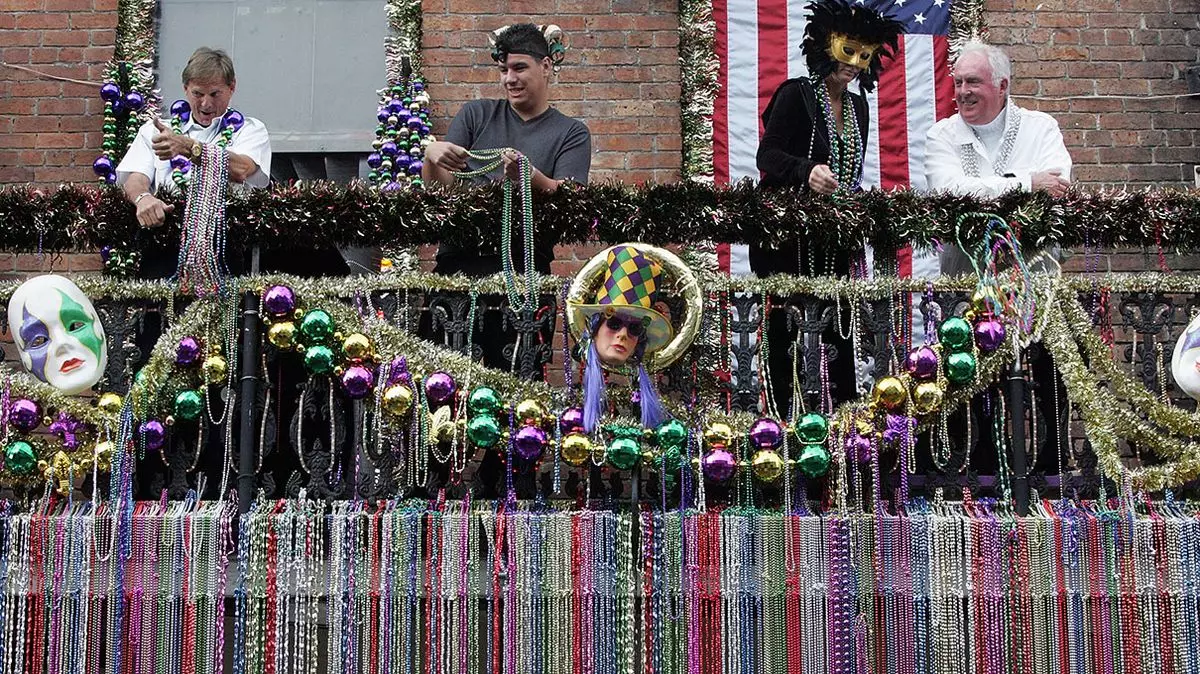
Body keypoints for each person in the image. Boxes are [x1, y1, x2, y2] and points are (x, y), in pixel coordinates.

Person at [753, 0, 903, 412]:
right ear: (824, 46)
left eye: (864, 54)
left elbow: (852, 169)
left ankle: (840, 419)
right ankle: (783, 418)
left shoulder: (859, 106)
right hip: (789, 239)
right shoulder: (795, 95)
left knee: (840, 325)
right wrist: (807, 172)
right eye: (847, 50)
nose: (855, 63)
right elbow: (767, 156)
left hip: (834, 239)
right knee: (786, 329)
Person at [422, 22, 592, 275]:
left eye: (519, 68)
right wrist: (431, 156)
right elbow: (443, 189)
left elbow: (572, 200)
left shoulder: (571, 133)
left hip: (527, 270)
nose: (510, 79)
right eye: (503, 70)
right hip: (457, 265)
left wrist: (530, 176)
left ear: (545, 66)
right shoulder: (476, 114)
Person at [925, 40, 1072, 276]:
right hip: (963, 286)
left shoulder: (1041, 128)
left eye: (973, 81)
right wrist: (1028, 183)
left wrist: (980, 192)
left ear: (1002, 86)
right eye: (958, 82)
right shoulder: (941, 135)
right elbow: (949, 192)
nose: (963, 92)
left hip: (1034, 284)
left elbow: (1056, 191)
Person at [117, 47, 271, 231]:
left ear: (232, 88)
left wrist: (188, 147)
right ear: (185, 89)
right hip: (166, 235)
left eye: (215, 94)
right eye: (197, 94)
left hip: (226, 237)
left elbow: (241, 170)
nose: (206, 103)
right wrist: (143, 198)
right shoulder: (155, 130)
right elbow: (135, 179)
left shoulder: (250, 130)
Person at [568, 245, 674, 433]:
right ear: (594, 328)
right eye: (614, 323)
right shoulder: (569, 405)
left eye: (634, 328)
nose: (623, 335)